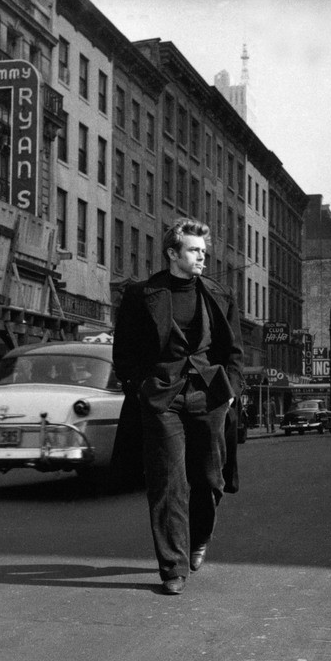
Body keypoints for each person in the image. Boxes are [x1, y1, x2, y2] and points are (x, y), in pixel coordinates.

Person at [111, 218, 244, 594]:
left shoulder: (218, 294)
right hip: (162, 397)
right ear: (173, 253)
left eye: (203, 251)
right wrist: (140, 387)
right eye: (194, 250)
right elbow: (124, 351)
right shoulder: (142, 295)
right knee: (167, 482)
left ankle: (199, 538)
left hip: (209, 395)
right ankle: (173, 567)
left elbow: (233, 351)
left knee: (209, 479)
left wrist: (231, 391)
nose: (202, 257)